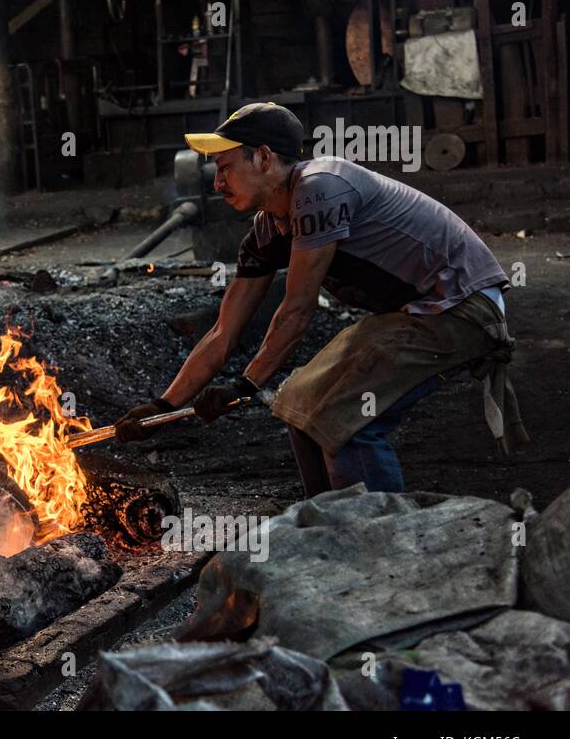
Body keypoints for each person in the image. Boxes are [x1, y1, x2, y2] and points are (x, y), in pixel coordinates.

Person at [116, 102, 526, 496]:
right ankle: (325, 526)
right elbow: (223, 332)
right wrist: (163, 405)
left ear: (262, 157)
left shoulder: (320, 188)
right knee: (299, 401)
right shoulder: (267, 229)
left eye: (225, 168)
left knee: (345, 421)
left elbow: (296, 311)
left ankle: (373, 542)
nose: (218, 183)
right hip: (415, 314)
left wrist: (244, 385)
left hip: (461, 307)